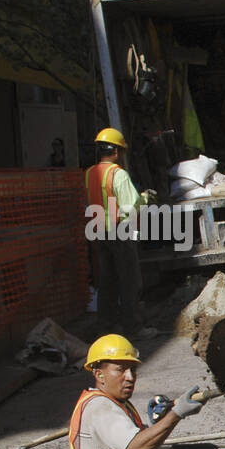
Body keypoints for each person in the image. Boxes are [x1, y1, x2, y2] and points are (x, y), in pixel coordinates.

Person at [68, 334, 207, 449]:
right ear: (99, 374)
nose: (130, 377)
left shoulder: (118, 402)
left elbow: (138, 443)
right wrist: (176, 414)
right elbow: (136, 448)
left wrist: (156, 425)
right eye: (120, 370)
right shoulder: (100, 407)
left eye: (133, 370)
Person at [85, 127, 157, 337]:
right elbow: (131, 204)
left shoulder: (89, 174)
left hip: (99, 232)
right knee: (129, 281)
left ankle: (106, 326)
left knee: (107, 282)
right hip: (120, 231)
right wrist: (145, 198)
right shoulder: (118, 174)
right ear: (117, 152)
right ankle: (133, 327)